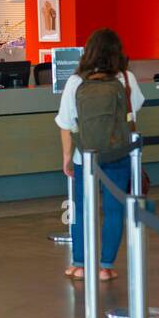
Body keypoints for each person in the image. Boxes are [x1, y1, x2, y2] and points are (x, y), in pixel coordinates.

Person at [55, 28, 145, 282]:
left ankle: (79, 264)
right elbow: (133, 112)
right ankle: (105, 266)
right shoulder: (126, 79)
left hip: (85, 157)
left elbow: (65, 123)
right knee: (114, 210)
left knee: (82, 209)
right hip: (118, 155)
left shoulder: (75, 82)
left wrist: (66, 156)